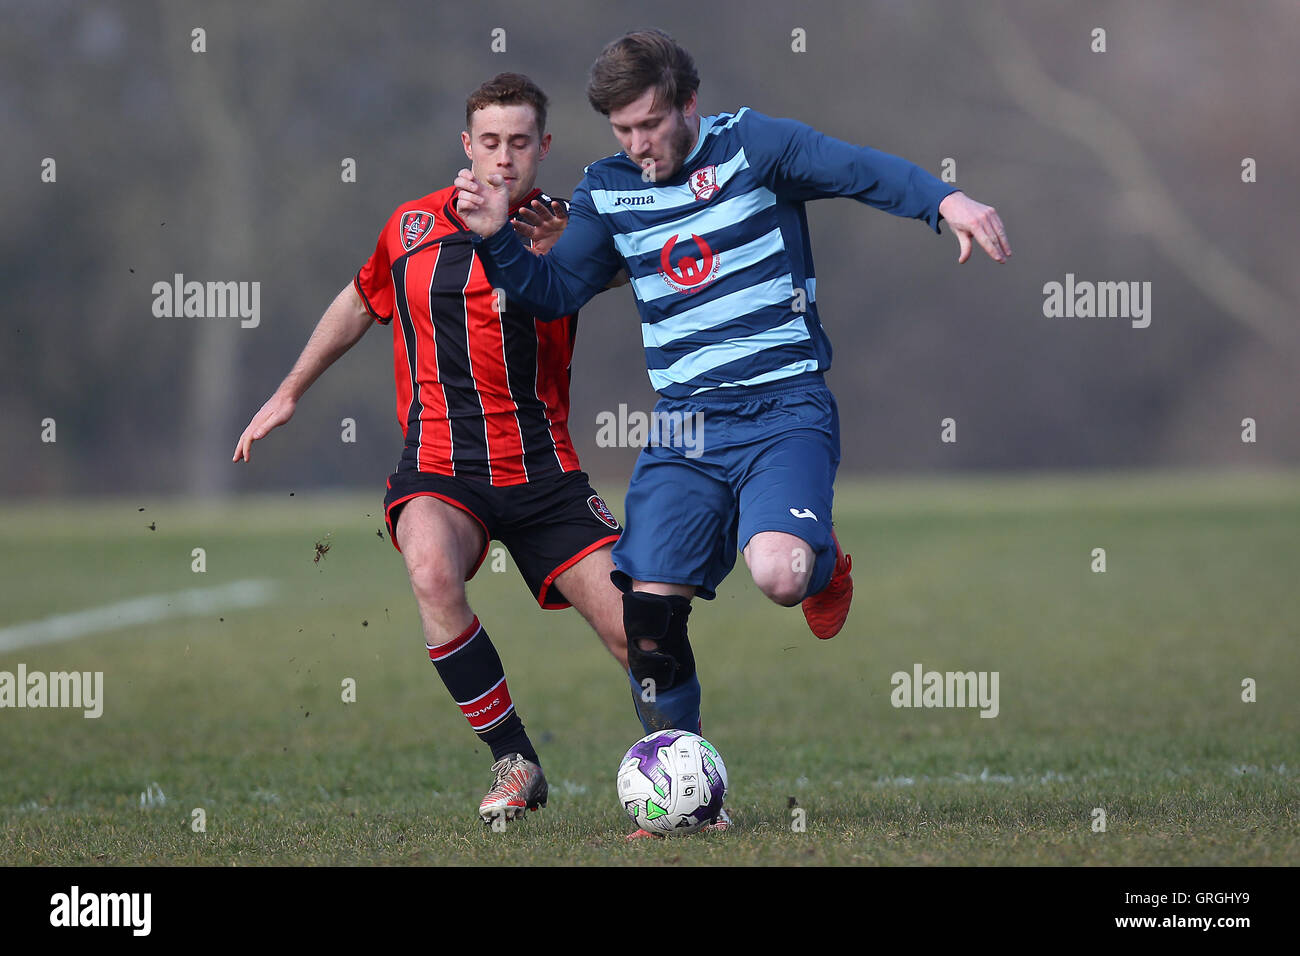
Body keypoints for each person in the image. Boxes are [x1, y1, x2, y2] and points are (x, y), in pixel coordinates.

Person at [454, 31, 1012, 802]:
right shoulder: (607, 189)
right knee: (646, 619)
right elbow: (554, 291)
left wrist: (943, 200)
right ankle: (680, 795)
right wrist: (492, 243)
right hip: (685, 427)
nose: (639, 143)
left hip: (784, 408)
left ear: (687, 102)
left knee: (778, 575)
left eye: (650, 123)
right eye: (622, 130)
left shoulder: (755, 146)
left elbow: (858, 170)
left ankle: (821, 555)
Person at [233, 73, 632, 826]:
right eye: (490, 142)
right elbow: (360, 299)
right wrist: (290, 390)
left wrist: (585, 258)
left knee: (635, 628)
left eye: (520, 142)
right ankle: (515, 760)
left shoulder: (567, 228)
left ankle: (684, 771)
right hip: (441, 469)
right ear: (466, 145)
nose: (504, 158)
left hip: (545, 472)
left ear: (544, 146)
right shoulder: (412, 227)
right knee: (430, 571)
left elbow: (636, 272)